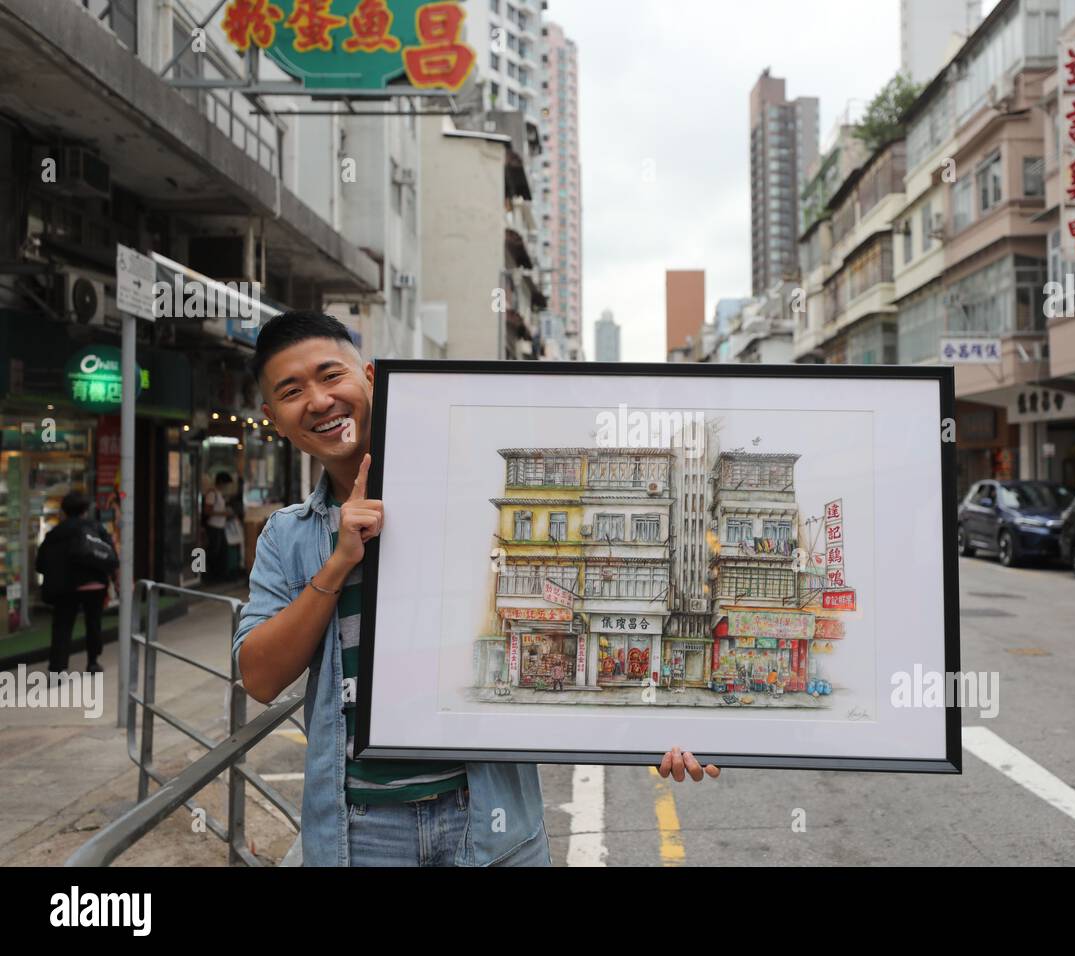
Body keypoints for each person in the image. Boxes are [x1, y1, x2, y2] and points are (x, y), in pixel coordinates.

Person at [234, 311, 719, 868]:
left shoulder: (470, 499)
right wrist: (339, 563)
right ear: (273, 418)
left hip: (490, 822)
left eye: (330, 376)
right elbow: (261, 678)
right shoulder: (288, 536)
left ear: (369, 377)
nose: (319, 401)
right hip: (359, 832)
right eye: (293, 391)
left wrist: (670, 730)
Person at [36, 491, 115, 674]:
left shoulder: (55, 533)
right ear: (86, 510)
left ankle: (57, 669)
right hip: (94, 585)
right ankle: (93, 662)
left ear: (64, 511)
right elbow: (110, 555)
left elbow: (41, 564)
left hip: (65, 587)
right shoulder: (95, 528)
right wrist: (114, 578)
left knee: (62, 627)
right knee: (93, 623)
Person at [202, 472, 234, 583]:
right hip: (213, 527)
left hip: (220, 526)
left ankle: (219, 575)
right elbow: (207, 511)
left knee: (221, 551)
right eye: (226, 484)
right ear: (221, 483)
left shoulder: (219, 494)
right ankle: (210, 575)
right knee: (213, 552)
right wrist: (223, 513)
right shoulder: (212, 494)